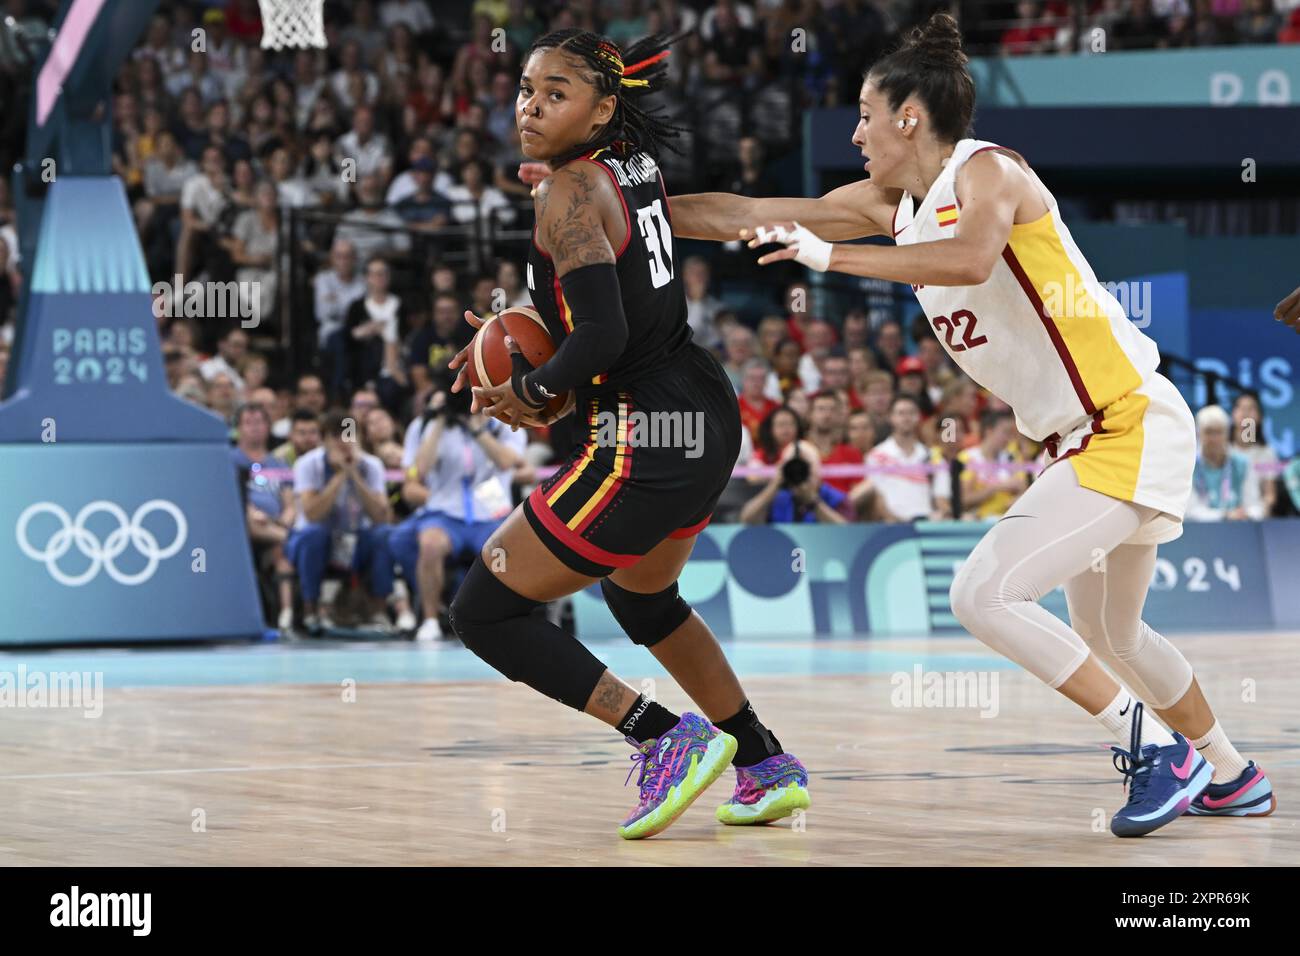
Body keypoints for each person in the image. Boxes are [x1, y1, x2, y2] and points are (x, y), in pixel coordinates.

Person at [662, 14, 1273, 832]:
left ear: (908, 117)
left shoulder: (990, 172)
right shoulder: (887, 201)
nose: (856, 133)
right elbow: (746, 213)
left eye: (866, 116)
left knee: (981, 593)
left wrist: (832, 259)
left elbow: (970, 258)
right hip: (1078, 435)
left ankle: (1158, 752)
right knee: (1110, 630)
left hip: (1124, 419)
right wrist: (632, 207)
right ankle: (1234, 776)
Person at [448, 29, 809, 840]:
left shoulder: (568, 191)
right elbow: (614, 305)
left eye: (556, 93)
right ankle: (762, 762)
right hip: (702, 409)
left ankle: (663, 737)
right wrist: (532, 335)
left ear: (604, 107)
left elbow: (603, 337)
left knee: (484, 609)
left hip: (642, 429)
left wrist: (530, 389)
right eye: (527, 88)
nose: (531, 105)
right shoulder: (631, 168)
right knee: (642, 596)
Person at [391, 374, 526, 642]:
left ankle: (505, 620)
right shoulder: (423, 426)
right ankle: (430, 620)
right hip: (445, 513)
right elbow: (419, 472)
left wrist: (477, 429)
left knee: (504, 552)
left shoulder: (503, 421)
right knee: (429, 545)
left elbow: (506, 462)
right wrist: (439, 421)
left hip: (490, 512)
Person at [287, 411, 396, 635]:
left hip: (356, 538)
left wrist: (354, 474)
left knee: (383, 533)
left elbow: (380, 515)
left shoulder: (371, 465)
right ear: (324, 440)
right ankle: (311, 609)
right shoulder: (308, 464)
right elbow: (311, 514)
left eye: (349, 435)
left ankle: (379, 609)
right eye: (336, 436)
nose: (344, 443)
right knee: (313, 534)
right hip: (317, 541)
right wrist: (338, 477)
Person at [1186, 405, 1265, 522]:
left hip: (1238, 528)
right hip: (1200, 531)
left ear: (1227, 434)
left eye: (1218, 432)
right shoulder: (1189, 465)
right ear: (1198, 434)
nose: (1214, 438)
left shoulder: (1243, 463)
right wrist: (1224, 516)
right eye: (1208, 432)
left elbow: (1254, 506)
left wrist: (1246, 513)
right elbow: (1189, 511)